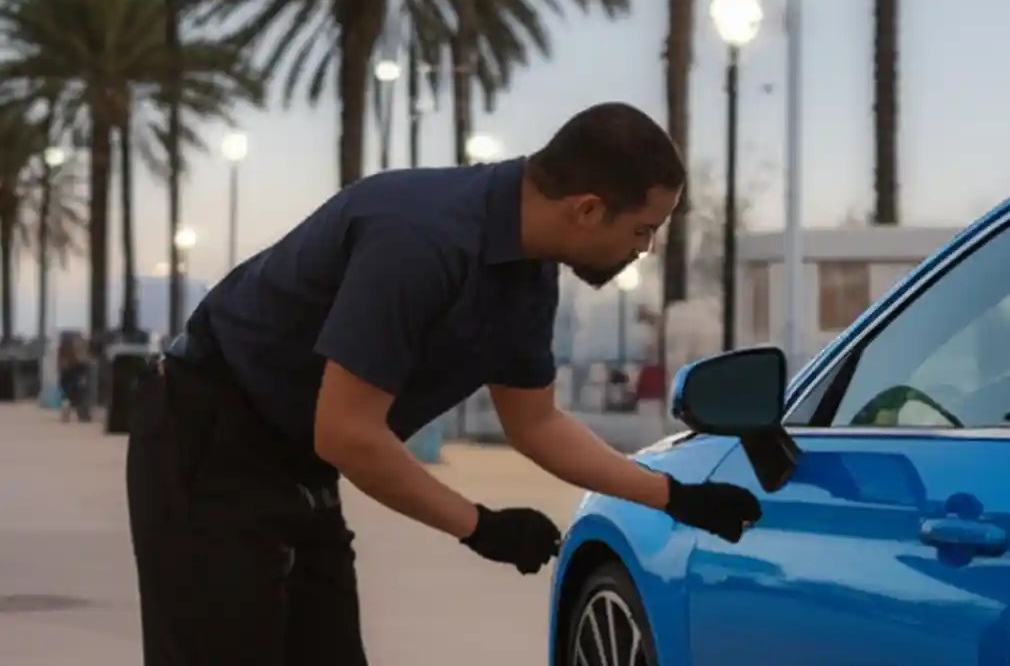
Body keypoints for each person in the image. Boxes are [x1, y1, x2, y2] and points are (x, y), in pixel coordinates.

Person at [125, 102, 763, 666]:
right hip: (210, 438)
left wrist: (674, 496)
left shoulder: (530, 275)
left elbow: (536, 424)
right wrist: (479, 525)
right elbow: (346, 432)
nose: (645, 250)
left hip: (298, 464)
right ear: (588, 210)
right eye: (642, 230)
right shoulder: (422, 240)